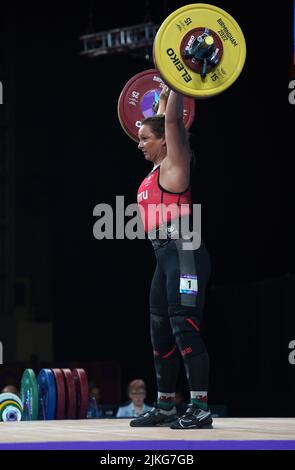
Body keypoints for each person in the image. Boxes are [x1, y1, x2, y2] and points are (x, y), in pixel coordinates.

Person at [129, 87, 212, 429]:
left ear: (164, 142)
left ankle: (200, 407)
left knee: (184, 329)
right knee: (160, 331)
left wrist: (177, 84)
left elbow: (173, 121)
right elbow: (165, 117)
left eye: (145, 138)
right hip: (163, 259)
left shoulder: (176, 163)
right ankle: (165, 407)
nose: (139, 144)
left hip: (185, 254)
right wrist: (163, 94)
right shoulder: (152, 173)